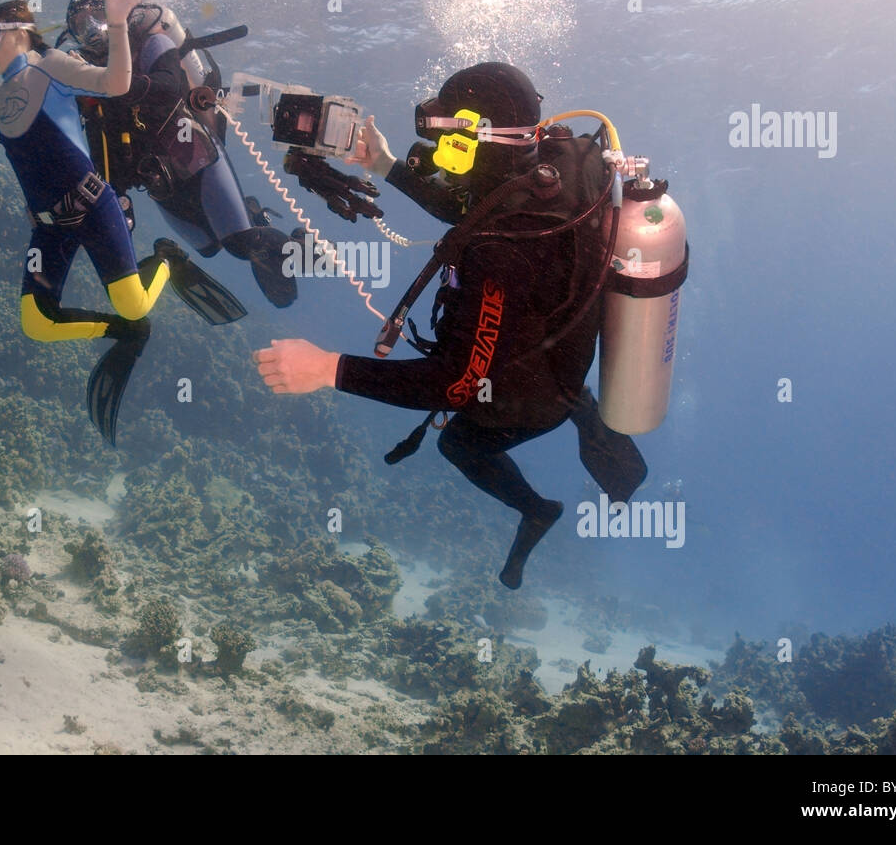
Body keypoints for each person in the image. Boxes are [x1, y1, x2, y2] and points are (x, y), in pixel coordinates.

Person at [253, 63, 646, 590]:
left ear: (485, 142)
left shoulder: (501, 253)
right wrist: (389, 164)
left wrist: (328, 368)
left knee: (458, 443)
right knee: (518, 348)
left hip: (537, 389)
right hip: (555, 336)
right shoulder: (554, 161)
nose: (442, 164)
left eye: (454, 150)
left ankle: (538, 507)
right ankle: (578, 406)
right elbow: (476, 207)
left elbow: (455, 383)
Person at [0, 0, 173, 441]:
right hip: (49, 226)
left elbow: (116, 82)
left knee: (132, 303)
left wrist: (115, 22)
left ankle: (168, 259)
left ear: (18, 32)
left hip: (93, 204)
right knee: (38, 323)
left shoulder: (51, 65)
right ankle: (126, 334)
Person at [60, 0, 300, 311]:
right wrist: (114, 197)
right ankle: (246, 217)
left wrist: (114, 85)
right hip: (162, 185)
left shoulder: (151, 43)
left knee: (249, 258)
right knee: (209, 249)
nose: (92, 29)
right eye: (81, 26)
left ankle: (301, 245)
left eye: (98, 17)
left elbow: (169, 87)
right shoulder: (91, 83)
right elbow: (104, 153)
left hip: (198, 159)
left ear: (116, 14)